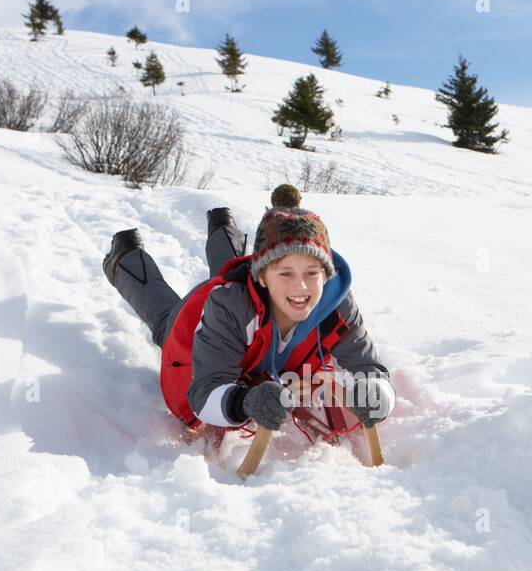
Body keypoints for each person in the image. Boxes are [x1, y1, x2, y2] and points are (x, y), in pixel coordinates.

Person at [101, 184, 395, 436]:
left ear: (326, 274)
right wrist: (244, 402)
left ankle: (222, 227)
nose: (302, 287)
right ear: (263, 276)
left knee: (247, 283)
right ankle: (124, 256)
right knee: (165, 318)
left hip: (248, 300)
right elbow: (204, 394)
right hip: (197, 328)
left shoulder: (336, 302)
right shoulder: (230, 306)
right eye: (286, 274)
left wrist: (376, 393)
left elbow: (370, 368)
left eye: (312, 273)